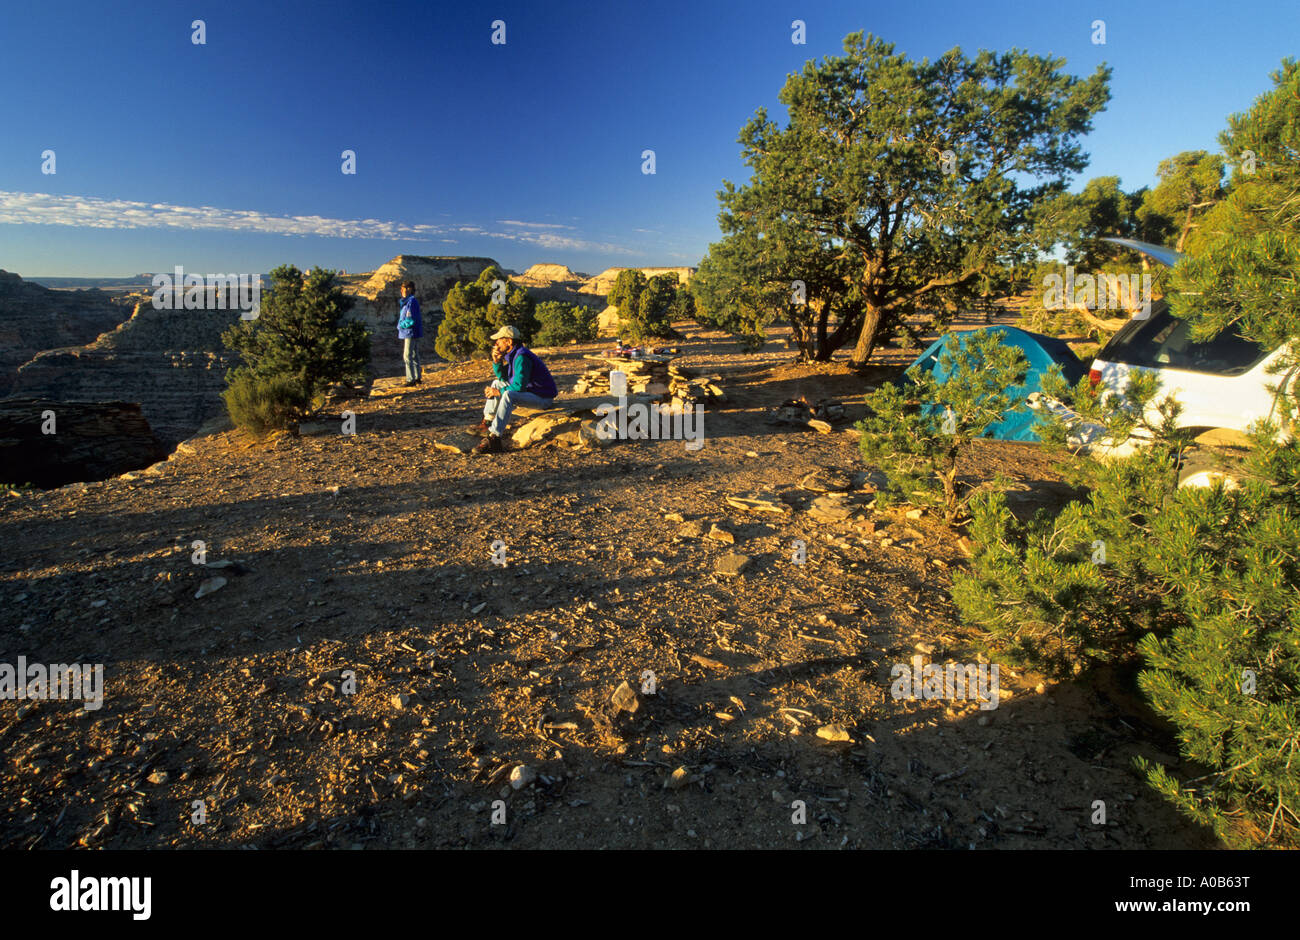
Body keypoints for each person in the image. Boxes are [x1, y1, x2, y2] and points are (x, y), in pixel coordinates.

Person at [471, 325, 558, 454]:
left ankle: (494, 438)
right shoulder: (514, 354)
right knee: (496, 383)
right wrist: (497, 362)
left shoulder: (522, 357)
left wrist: (498, 392)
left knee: (508, 395)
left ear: (509, 342)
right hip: (531, 393)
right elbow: (504, 378)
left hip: (542, 399)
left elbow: (519, 387)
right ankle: (488, 422)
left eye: (499, 340)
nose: (496, 343)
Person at [397, 280, 422, 386]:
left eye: (404, 288)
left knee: (407, 355)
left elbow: (410, 319)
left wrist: (400, 325)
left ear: (410, 289)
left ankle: (410, 379)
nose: (402, 290)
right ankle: (417, 378)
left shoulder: (411, 302)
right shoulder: (407, 301)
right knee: (414, 354)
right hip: (412, 331)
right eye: (402, 288)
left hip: (410, 332)